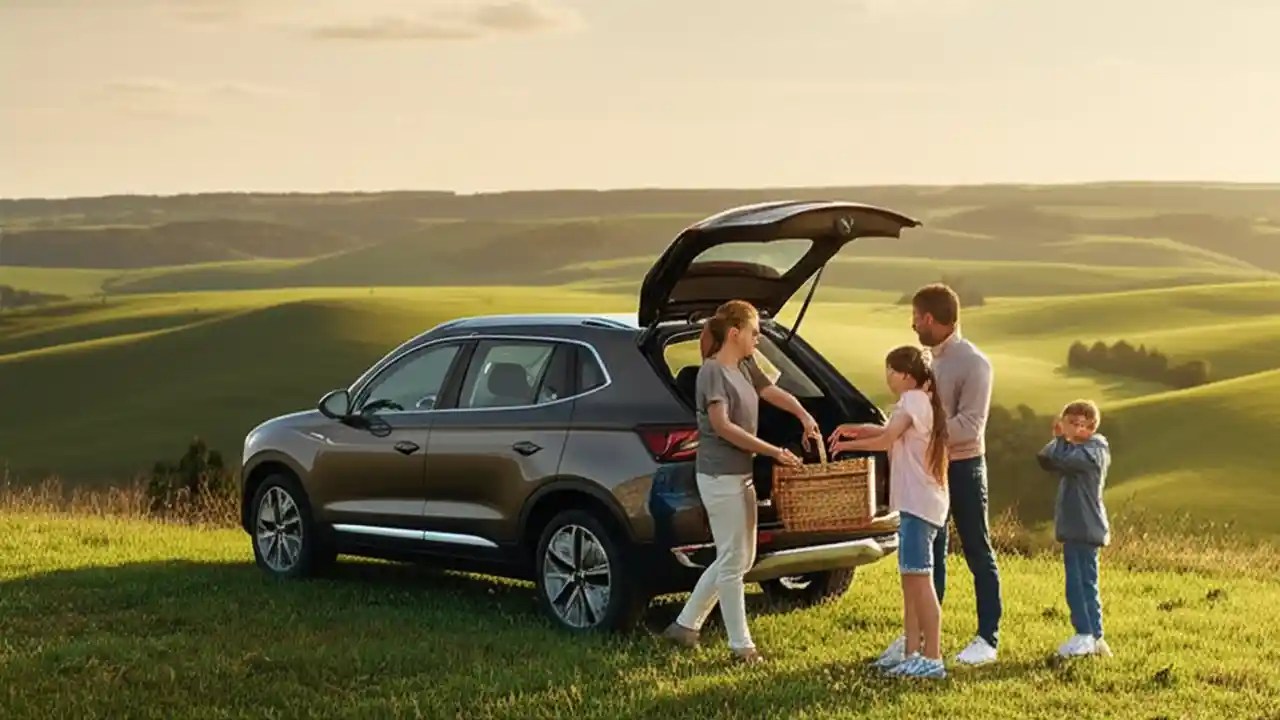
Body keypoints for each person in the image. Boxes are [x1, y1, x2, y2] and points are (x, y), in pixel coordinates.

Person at [845, 284, 1002, 667]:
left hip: (963, 466)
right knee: (929, 557)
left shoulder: (974, 363)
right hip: (929, 470)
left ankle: (987, 637)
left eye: (916, 317)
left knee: (977, 549)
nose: (913, 324)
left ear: (930, 318)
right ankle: (920, 642)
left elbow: (972, 425)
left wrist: (924, 431)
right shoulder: (925, 362)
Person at [661, 299, 820, 663]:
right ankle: (741, 646)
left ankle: (684, 626)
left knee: (740, 557)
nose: (758, 339)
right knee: (733, 561)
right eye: (754, 332)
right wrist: (773, 451)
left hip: (740, 475)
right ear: (734, 334)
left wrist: (803, 413)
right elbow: (722, 426)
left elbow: (770, 391)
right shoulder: (712, 372)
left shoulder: (745, 365)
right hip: (719, 476)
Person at [829, 346, 950, 680]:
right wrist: (855, 429)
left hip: (918, 504)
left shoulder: (913, 400)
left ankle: (933, 656)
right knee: (911, 581)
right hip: (920, 504)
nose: (888, 377)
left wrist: (847, 446)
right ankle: (912, 651)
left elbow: (886, 440)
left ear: (906, 375)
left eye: (891, 371)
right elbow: (888, 432)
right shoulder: (919, 401)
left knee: (920, 581)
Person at [1037, 399, 1113, 658]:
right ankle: (1094, 635)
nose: (1071, 428)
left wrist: (1062, 440)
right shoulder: (1072, 448)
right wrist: (1060, 440)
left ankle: (1086, 634)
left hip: (1086, 526)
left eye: (1077, 424)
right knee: (1080, 581)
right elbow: (1046, 459)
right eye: (1068, 422)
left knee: (1081, 584)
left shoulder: (1094, 450)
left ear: (1090, 427)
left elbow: (1068, 460)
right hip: (1074, 527)